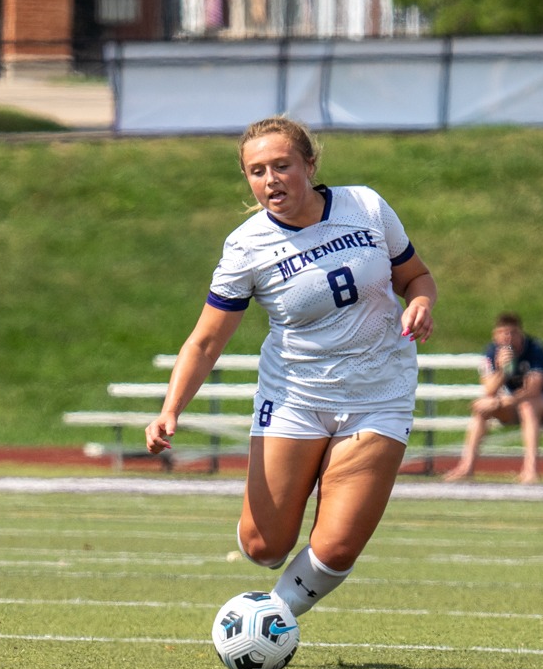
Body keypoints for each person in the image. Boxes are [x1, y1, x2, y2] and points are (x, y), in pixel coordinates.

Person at [146, 115, 435, 620]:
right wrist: (170, 409)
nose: (270, 180)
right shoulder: (246, 246)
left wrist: (421, 303)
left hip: (379, 394)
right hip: (296, 398)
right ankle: (276, 532)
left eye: (282, 166)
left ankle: (270, 621)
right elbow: (206, 340)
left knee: (337, 548)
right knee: (263, 547)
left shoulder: (365, 206)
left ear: (310, 164)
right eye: (257, 172)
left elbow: (417, 276)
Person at [443, 312, 543, 484]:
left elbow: (534, 388)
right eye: (503, 333)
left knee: (528, 407)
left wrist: (506, 400)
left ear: (520, 333)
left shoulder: (534, 348)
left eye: (513, 333)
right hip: (511, 402)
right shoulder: (491, 352)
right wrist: (502, 370)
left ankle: (531, 470)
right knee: (481, 410)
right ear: (495, 335)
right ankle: (466, 467)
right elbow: (489, 389)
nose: (508, 337)